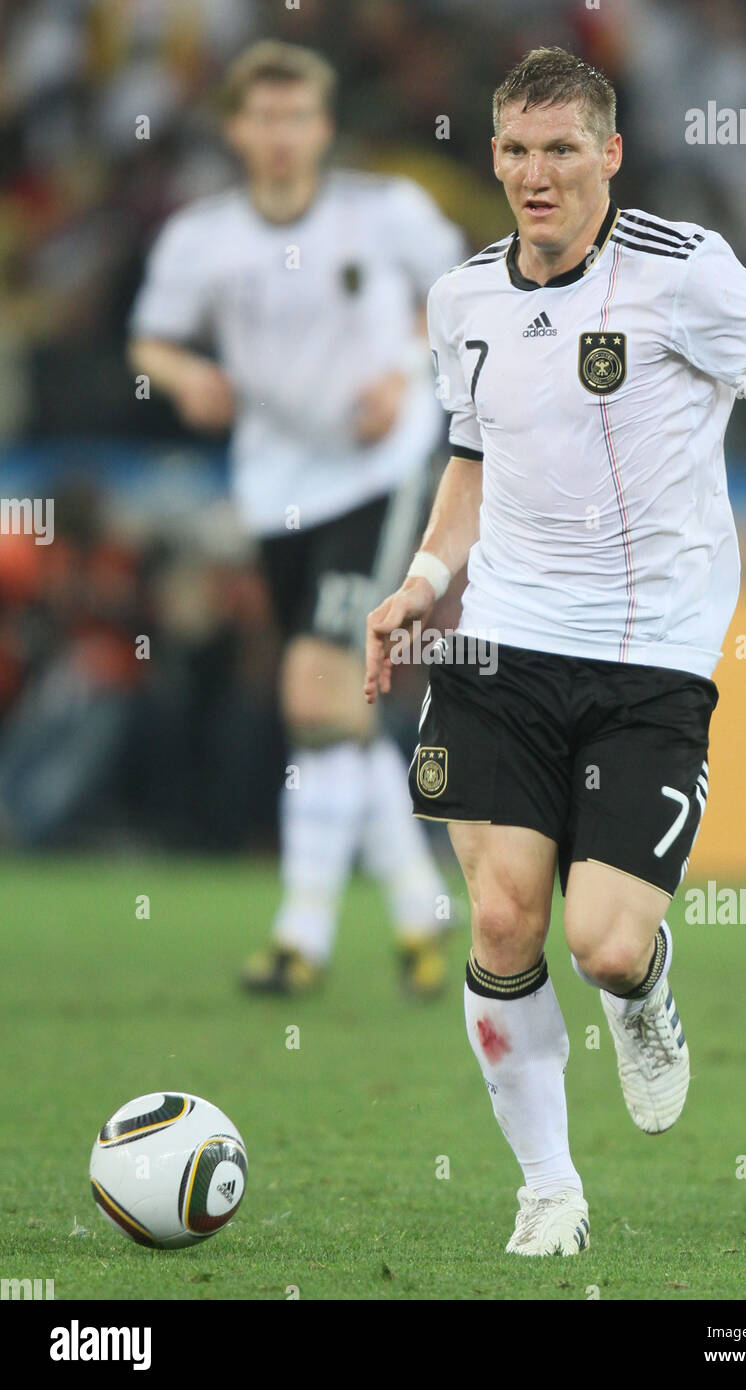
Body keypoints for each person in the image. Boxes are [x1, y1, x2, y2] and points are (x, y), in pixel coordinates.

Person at [365, 46, 746, 1254]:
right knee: (500, 923)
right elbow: (471, 462)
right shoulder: (462, 301)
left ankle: (641, 991)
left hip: (648, 658)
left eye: (560, 150)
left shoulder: (683, 273)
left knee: (600, 940)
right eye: (515, 151)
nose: (535, 175)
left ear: (608, 153)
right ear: (492, 156)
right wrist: (422, 582)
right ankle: (549, 1188)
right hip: (502, 643)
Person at [129, 40, 466, 997]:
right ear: (236, 129)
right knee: (328, 713)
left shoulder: (384, 212)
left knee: (314, 693)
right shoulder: (204, 238)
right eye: (263, 119)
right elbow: (149, 339)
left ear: (323, 129)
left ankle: (299, 936)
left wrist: (404, 378)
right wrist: (186, 371)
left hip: (382, 473)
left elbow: (463, 294)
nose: (280, 137)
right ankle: (415, 901)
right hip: (275, 488)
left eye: (298, 118)